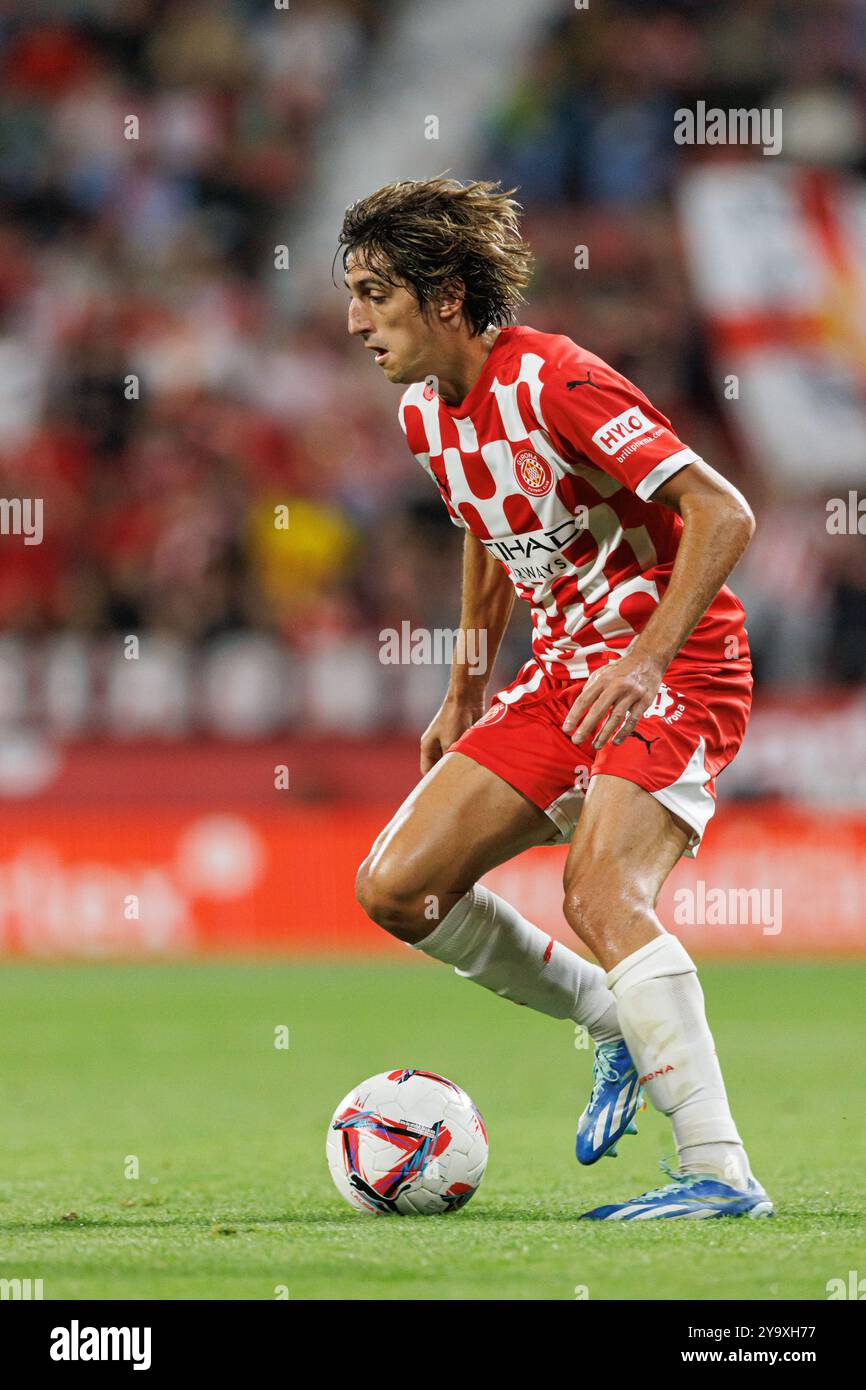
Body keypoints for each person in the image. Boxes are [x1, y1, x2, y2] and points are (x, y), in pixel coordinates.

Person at [338, 175, 772, 1220]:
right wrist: (464, 686)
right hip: (560, 676)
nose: (353, 321)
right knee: (397, 887)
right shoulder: (420, 412)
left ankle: (717, 1171)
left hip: (669, 668)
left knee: (598, 895)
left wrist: (641, 660)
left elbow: (722, 513)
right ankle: (611, 1019)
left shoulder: (555, 380)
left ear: (444, 296)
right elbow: (489, 530)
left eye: (372, 293)